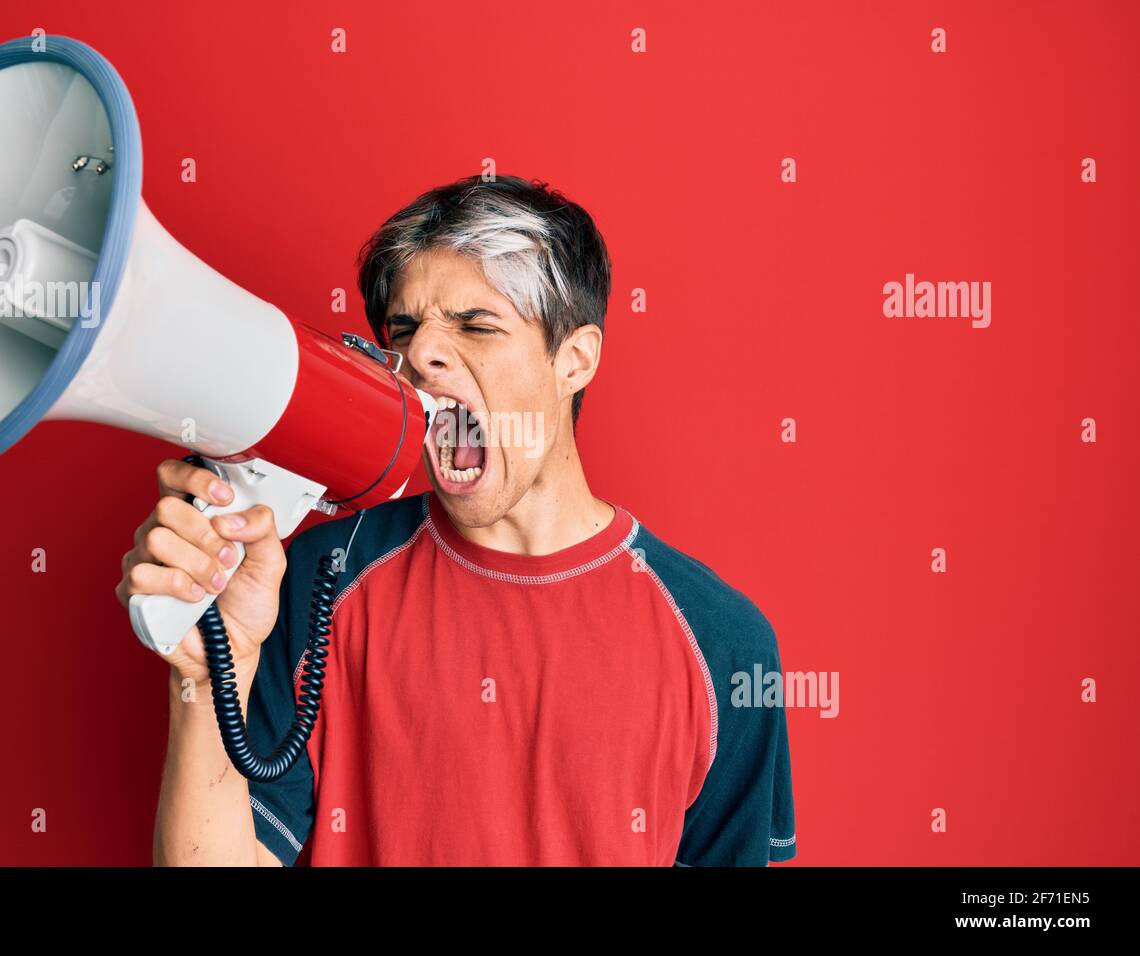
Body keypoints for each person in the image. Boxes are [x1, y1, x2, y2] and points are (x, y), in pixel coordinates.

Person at [116, 175, 797, 866]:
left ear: (575, 360)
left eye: (476, 325)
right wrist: (205, 675)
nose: (420, 357)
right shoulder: (315, 581)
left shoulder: (721, 641)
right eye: (405, 331)